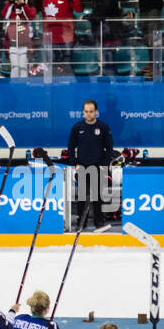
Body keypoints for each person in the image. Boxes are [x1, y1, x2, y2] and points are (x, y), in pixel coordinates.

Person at [67, 99, 115, 231]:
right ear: (83, 112)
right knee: (82, 197)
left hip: (97, 167)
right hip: (82, 167)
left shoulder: (103, 127)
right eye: (86, 112)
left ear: (96, 112)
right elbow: (70, 148)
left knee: (97, 196)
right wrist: (75, 164)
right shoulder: (77, 127)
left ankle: (99, 222)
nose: (88, 114)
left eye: (91, 111)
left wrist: (103, 165)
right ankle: (81, 223)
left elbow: (109, 148)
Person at [36, 0, 81, 72]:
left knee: (66, 69)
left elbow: (79, 9)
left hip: (67, 38)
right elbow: (35, 10)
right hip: (49, 38)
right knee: (51, 70)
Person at [87, 0, 123, 74]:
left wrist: (88, 17)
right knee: (107, 59)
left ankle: (110, 85)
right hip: (107, 32)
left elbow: (101, 13)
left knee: (108, 60)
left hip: (109, 32)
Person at [1, 0, 38, 78]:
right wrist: (10, 2)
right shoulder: (11, 5)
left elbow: (30, 17)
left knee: (23, 67)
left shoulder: (30, 5)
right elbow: (4, 15)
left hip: (25, 43)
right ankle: (14, 88)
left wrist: (23, 4)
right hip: (12, 42)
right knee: (15, 67)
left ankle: (23, 87)